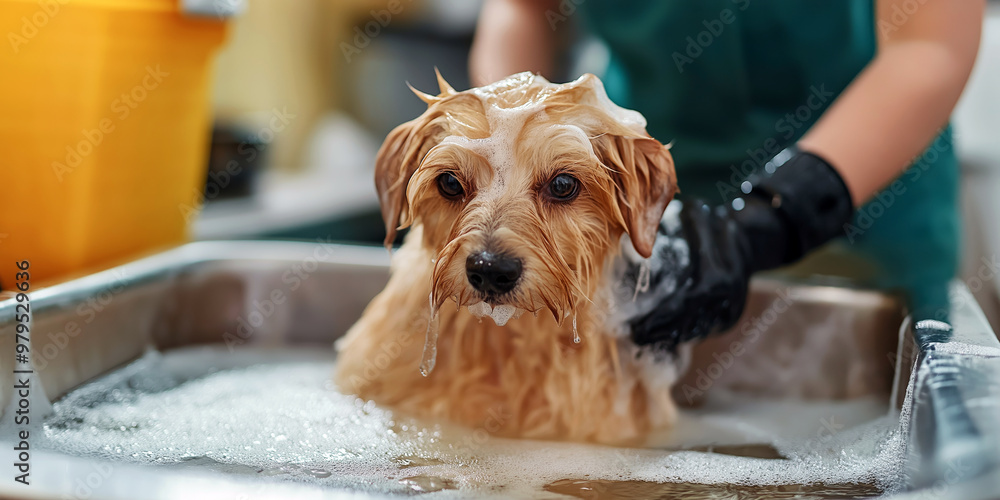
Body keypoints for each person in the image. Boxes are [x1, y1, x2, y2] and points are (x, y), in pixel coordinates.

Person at [470, 0, 984, 349]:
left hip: (866, 186)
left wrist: (778, 212)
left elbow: (928, 47)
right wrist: (512, 144)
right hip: (633, 189)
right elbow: (523, 9)